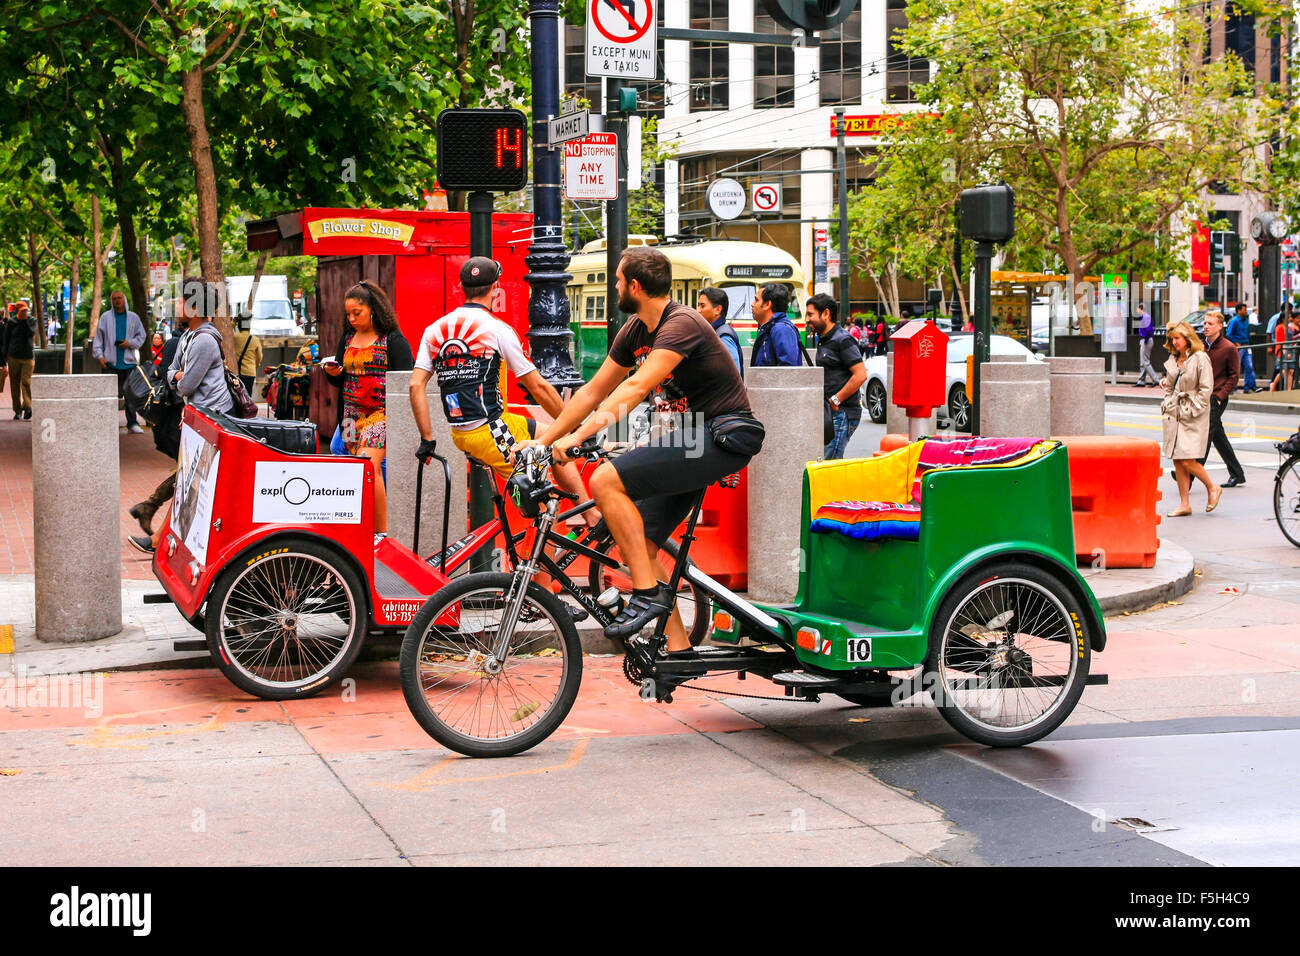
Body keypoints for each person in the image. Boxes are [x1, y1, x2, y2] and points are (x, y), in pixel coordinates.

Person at [519, 247, 762, 654]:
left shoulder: (681, 323)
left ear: (634, 286)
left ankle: (647, 595)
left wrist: (575, 440)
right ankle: (678, 654)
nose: (615, 286)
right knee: (642, 549)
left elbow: (634, 388)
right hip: (688, 439)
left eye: (617, 280)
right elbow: (594, 391)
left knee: (605, 480)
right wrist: (543, 441)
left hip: (722, 434)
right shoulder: (634, 330)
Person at [410, 257, 598, 578]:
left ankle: (591, 519)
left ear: (462, 288)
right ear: (495, 289)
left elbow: (416, 385)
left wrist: (428, 439)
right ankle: (542, 594)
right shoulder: (496, 329)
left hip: (466, 432)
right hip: (494, 431)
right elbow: (537, 384)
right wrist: (577, 424)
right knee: (543, 506)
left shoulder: (435, 329)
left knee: (554, 442)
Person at [129, 279, 234, 554]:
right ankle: (153, 523)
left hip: (213, 420)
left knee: (193, 480)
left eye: (180, 300)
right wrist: (177, 377)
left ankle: (155, 530)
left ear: (196, 306)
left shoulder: (205, 341)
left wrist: (177, 377)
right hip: (199, 418)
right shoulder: (189, 337)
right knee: (191, 479)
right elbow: (171, 371)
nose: (175, 304)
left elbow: (185, 384)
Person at [322, 279, 413, 536]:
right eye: (348, 313)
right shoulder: (347, 338)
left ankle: (381, 535)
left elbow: (405, 380)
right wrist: (333, 372)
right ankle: (357, 528)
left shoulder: (393, 340)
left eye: (357, 313)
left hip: (381, 415)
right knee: (354, 470)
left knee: (367, 467)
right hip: (351, 415)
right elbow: (340, 378)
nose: (351, 318)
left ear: (373, 309)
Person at [1161, 321, 1220, 516]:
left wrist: (1193, 409)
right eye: (1172, 339)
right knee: (1178, 460)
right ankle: (1184, 504)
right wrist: (1168, 402)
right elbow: (1169, 387)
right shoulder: (1173, 359)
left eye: (1177, 338)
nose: (1174, 342)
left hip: (1193, 415)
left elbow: (1206, 388)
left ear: (1187, 338)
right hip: (1174, 414)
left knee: (1187, 459)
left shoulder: (1200, 358)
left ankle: (1212, 487)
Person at [806, 292, 867, 460]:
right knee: (825, 466)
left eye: (810, 314)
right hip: (831, 414)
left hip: (842, 413)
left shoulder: (842, 339)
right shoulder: (824, 340)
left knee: (828, 466)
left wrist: (836, 399)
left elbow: (861, 375)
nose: (807, 319)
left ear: (826, 314)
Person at [1197, 311, 1246, 489]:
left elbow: (1234, 377)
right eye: (1205, 323)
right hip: (1201, 396)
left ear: (1220, 326)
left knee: (1206, 434)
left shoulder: (1229, 348)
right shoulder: (1200, 346)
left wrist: (1219, 397)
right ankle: (1237, 474)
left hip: (1216, 397)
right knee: (1218, 437)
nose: (1206, 326)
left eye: (1210, 323)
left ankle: (1191, 471)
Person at [92, 290, 148, 433]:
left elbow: (142, 336)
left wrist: (130, 343)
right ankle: (107, 423)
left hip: (129, 363)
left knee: (130, 395)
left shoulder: (133, 318)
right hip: (110, 363)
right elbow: (98, 338)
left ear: (124, 300)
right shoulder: (105, 318)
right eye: (115, 299)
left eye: (119, 298)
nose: (117, 301)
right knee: (109, 395)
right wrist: (100, 356)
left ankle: (132, 423)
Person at [748, 283, 801, 367]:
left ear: (767, 304)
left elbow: (788, 370)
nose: (752, 304)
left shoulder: (781, 329)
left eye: (756, 300)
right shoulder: (768, 328)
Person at [696, 286, 743, 377]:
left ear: (718, 310)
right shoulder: (713, 333)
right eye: (698, 305)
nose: (698, 310)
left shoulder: (724, 337)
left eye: (702, 305)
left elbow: (733, 376)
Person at [4, 301, 36, 420]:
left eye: (26, 310)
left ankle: (28, 407)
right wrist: (4, 360)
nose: (25, 313)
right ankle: (17, 410)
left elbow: (30, 333)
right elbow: (6, 340)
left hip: (28, 357)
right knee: (14, 384)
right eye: (22, 311)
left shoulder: (32, 321)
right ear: (17, 311)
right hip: (13, 357)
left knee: (26, 382)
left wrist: (25, 321)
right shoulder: (11, 323)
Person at [1226, 303, 1257, 393]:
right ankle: (1233, 388)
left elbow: (1247, 332)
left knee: (1249, 366)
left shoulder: (1246, 320)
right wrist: (1236, 342)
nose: (1246, 311)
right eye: (1244, 309)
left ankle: (1249, 386)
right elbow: (1229, 334)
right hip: (1238, 347)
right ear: (1239, 311)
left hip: (1246, 346)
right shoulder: (1234, 321)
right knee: (1236, 367)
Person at [233, 318, 263, 398]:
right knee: (248, 395)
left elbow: (228, 332)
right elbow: (259, 357)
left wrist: (234, 322)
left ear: (239, 327)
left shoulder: (235, 337)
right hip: (249, 371)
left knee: (236, 394)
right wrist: (255, 365)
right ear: (249, 328)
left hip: (236, 371)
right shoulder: (255, 340)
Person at [1134, 303, 1159, 387]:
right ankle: (1141, 381)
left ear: (1140, 309)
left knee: (1145, 361)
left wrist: (1145, 340)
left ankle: (1156, 379)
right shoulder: (1145, 317)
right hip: (1146, 340)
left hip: (1146, 340)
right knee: (1143, 361)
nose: (1136, 310)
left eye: (1137, 309)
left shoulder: (1146, 317)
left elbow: (1148, 330)